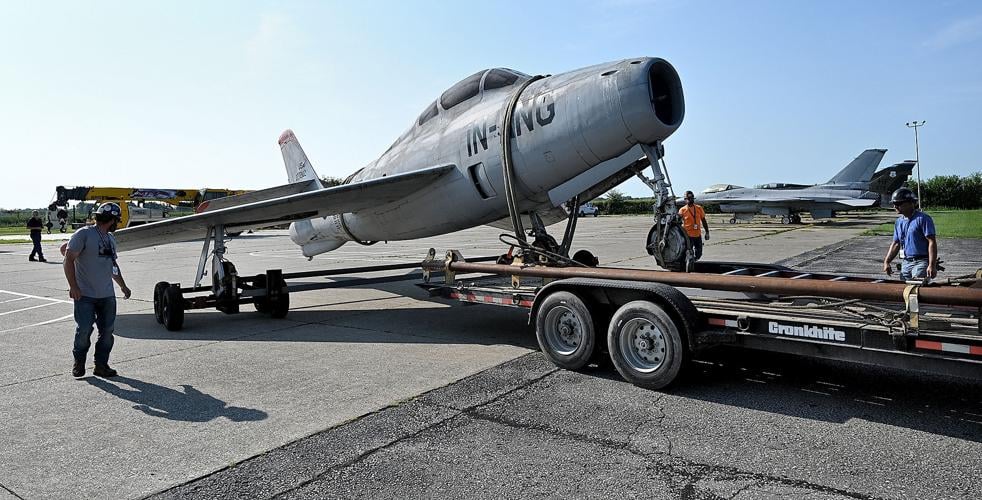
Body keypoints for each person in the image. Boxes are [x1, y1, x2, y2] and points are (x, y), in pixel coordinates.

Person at [63, 202, 132, 378]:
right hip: (85, 294)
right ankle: (79, 362)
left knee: (107, 332)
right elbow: (68, 259)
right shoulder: (84, 234)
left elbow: (112, 265)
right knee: (84, 330)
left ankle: (101, 365)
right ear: (112, 220)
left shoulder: (110, 239)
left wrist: (122, 286)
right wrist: (73, 286)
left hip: (107, 295)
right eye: (117, 220)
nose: (117, 224)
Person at [882, 187, 938, 281]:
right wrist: (887, 262)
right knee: (905, 290)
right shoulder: (898, 222)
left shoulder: (923, 219)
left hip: (922, 262)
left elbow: (932, 242)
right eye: (894, 203)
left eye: (898, 203)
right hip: (906, 262)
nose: (895, 206)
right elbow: (896, 243)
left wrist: (932, 265)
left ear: (910, 203)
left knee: (916, 287)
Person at [678, 190, 710, 260]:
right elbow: (678, 222)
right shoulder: (682, 210)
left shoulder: (699, 208)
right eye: (688, 198)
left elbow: (703, 220)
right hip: (687, 236)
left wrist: (707, 232)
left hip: (697, 235)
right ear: (685, 200)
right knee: (689, 252)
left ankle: (694, 260)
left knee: (699, 253)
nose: (690, 199)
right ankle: (687, 264)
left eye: (691, 197)